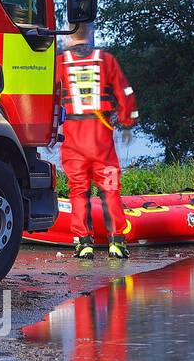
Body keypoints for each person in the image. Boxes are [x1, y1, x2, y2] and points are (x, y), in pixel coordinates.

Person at [57, 21, 139, 259]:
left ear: (68, 36)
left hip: (73, 134)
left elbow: (50, 95)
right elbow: (125, 92)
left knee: (78, 190)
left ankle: (83, 243)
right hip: (101, 134)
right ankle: (117, 242)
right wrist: (127, 123)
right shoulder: (105, 59)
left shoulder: (59, 63)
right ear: (91, 34)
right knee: (110, 188)